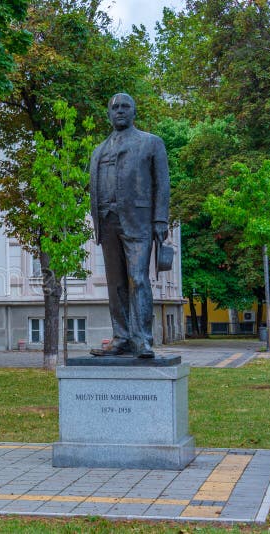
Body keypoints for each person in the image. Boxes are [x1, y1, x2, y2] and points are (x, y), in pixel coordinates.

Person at [89, 93, 169, 358]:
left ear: (134, 112)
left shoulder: (150, 143)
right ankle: (121, 337)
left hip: (139, 221)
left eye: (125, 107)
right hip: (107, 221)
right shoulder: (99, 151)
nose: (120, 111)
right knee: (116, 284)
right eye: (115, 108)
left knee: (138, 279)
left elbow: (162, 184)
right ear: (109, 114)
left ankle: (143, 339)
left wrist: (160, 219)